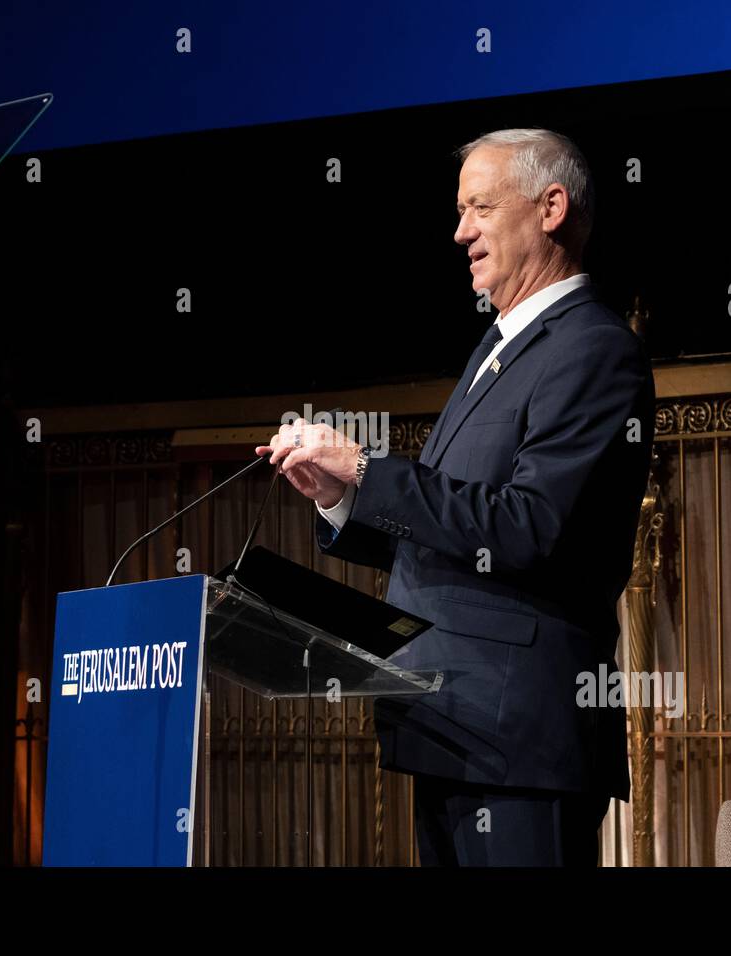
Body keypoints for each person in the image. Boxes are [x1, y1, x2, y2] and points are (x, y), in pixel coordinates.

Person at [257, 128, 654, 866]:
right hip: (448, 726)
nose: (460, 231)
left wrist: (371, 470)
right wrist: (342, 498)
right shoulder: (496, 350)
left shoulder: (595, 350)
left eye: (479, 207)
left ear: (551, 207)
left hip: (519, 744)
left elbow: (532, 526)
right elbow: (454, 534)